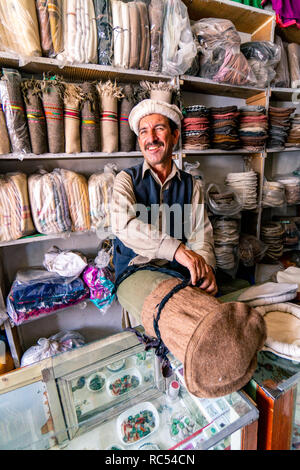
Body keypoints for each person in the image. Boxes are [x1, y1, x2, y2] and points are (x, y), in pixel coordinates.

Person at [111, 99, 217, 325]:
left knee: (208, 311)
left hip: (179, 269)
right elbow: (123, 225)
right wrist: (176, 249)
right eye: (144, 132)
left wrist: (205, 268)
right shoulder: (126, 180)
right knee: (174, 313)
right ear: (139, 140)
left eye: (159, 128)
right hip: (136, 269)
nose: (151, 138)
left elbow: (201, 235)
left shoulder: (191, 185)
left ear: (175, 136)